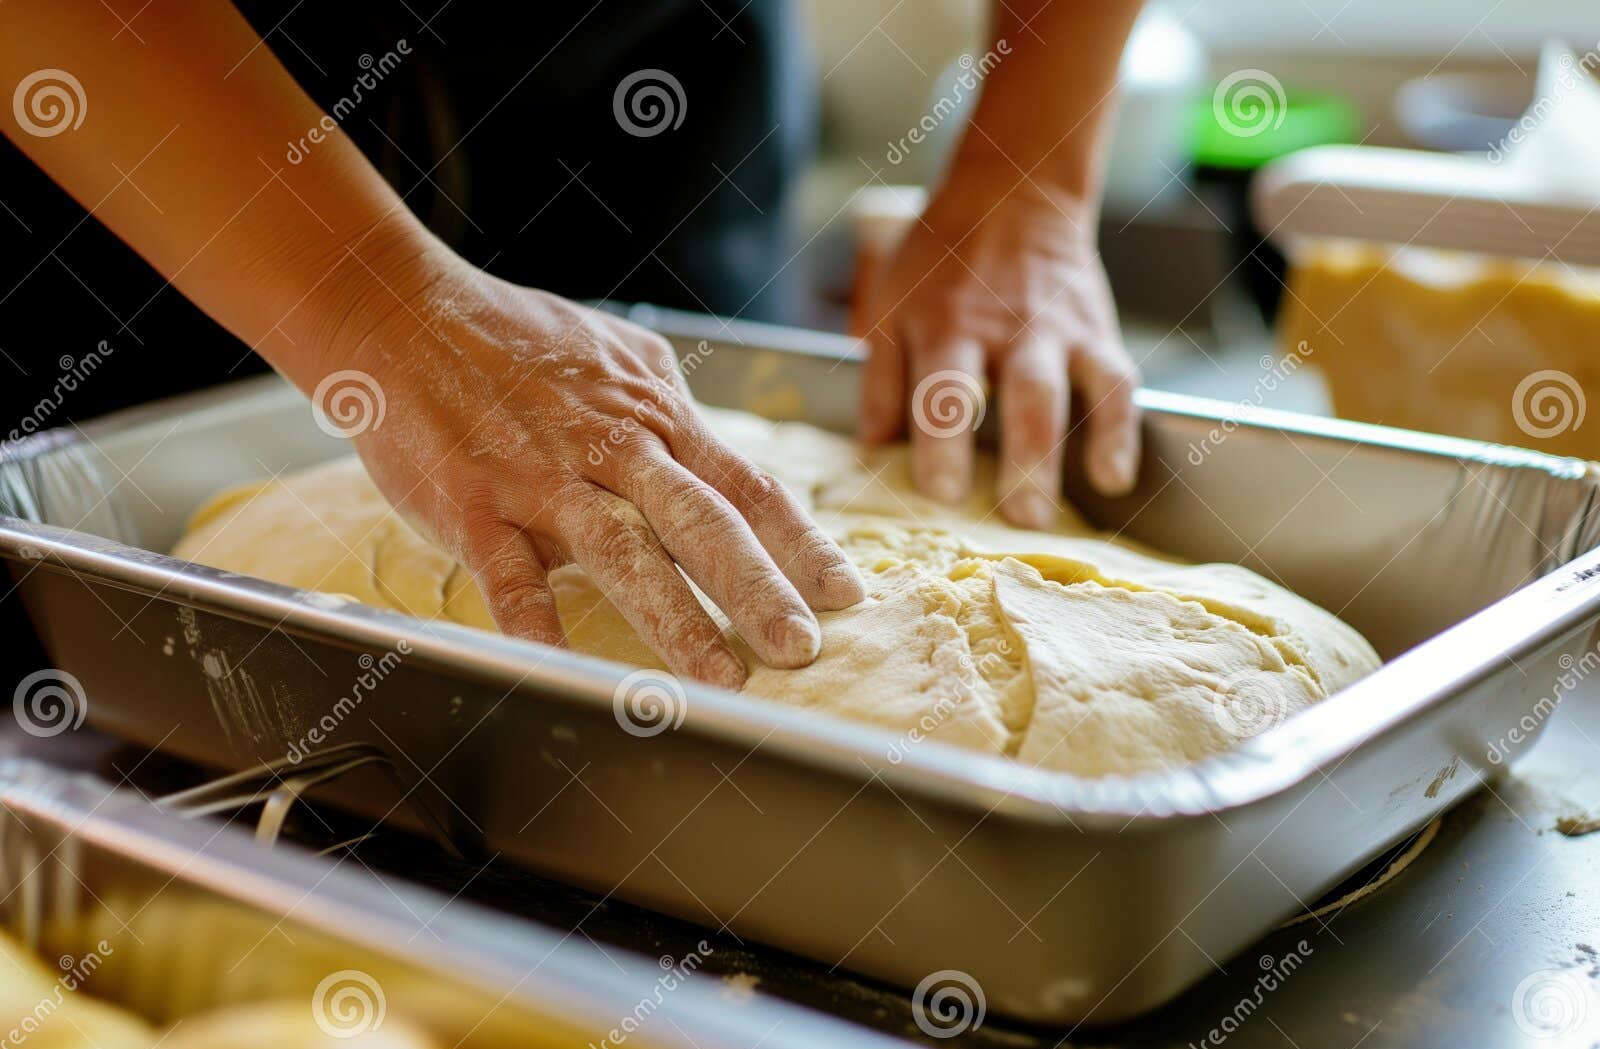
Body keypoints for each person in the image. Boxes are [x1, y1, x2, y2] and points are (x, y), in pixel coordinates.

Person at [1, 0, 1142, 689]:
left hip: (641, 83)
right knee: (117, 670)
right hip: (151, 116)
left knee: (686, 562)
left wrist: (1026, 171)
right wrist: (365, 300)